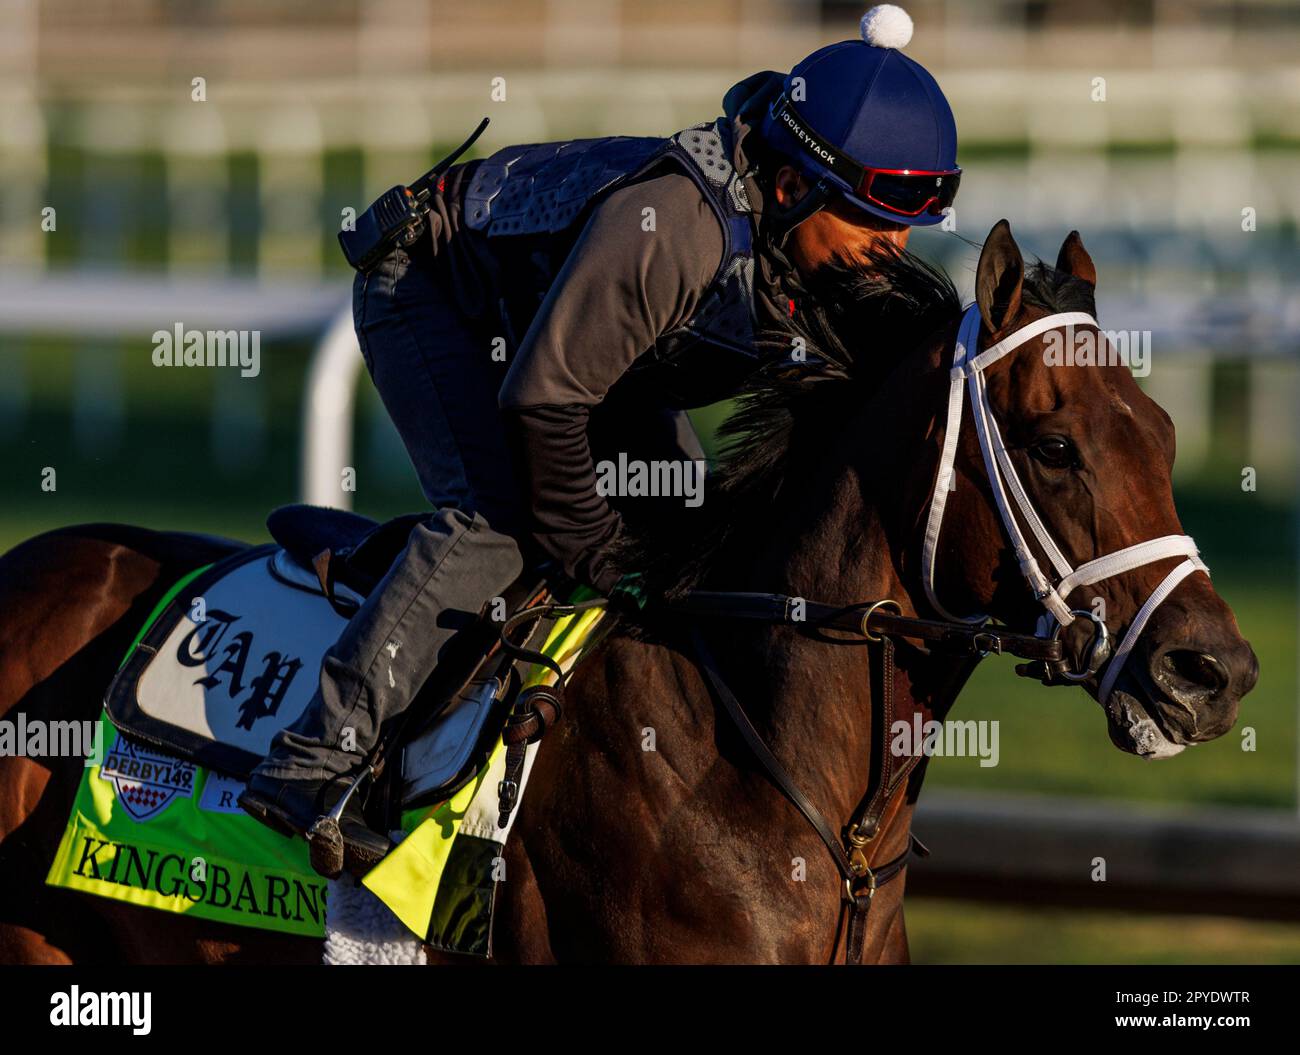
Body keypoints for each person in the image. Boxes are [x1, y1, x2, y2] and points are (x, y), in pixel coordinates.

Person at [240, 4, 961, 876]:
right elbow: (541, 402)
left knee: (692, 530)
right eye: (869, 220)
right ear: (788, 189)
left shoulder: (803, 246)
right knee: (503, 522)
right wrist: (586, 543)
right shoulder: (676, 227)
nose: (891, 250)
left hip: (597, 354)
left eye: (906, 229)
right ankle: (315, 759)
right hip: (438, 298)